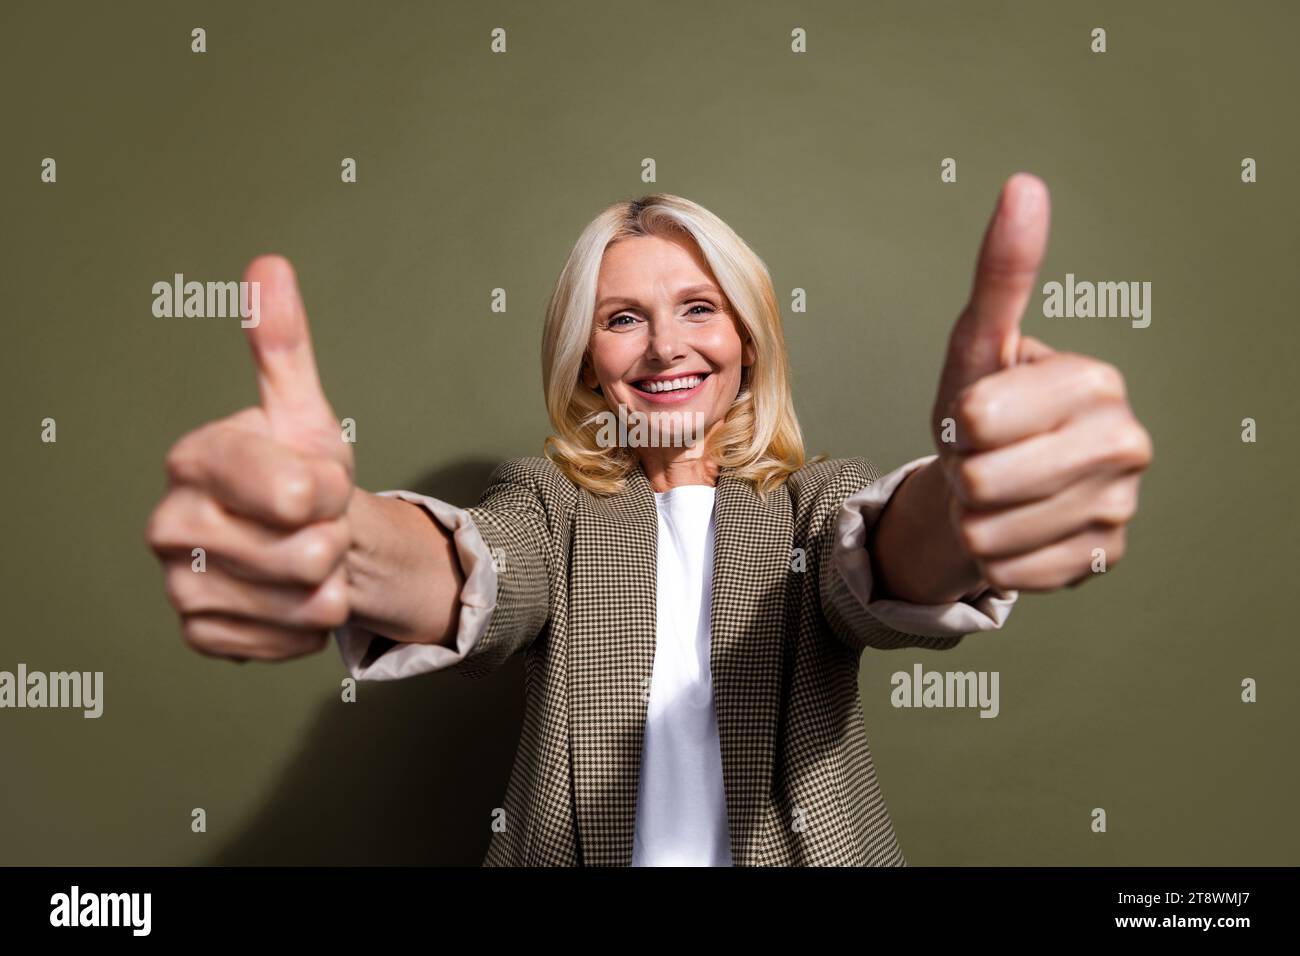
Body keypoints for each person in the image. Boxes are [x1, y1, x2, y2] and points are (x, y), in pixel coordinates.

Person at [145, 173, 1152, 865]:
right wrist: (345, 544)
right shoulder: (549, 504)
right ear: (586, 359)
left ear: (748, 340)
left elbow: (882, 555)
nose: (665, 346)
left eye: (698, 308)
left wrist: (965, 502)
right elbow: (477, 574)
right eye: (623, 317)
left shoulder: (809, 504)